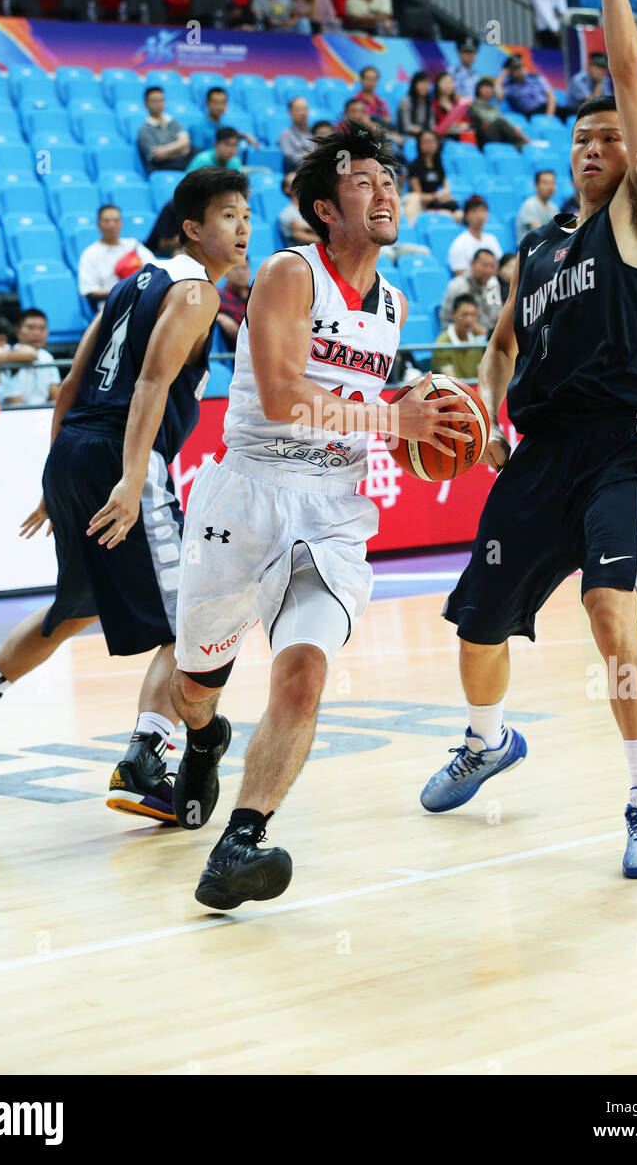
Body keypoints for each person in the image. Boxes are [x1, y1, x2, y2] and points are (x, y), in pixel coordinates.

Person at [421, 0, 637, 882]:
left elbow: (624, 72)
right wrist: (486, 410)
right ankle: (488, 741)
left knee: (608, 610)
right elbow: (495, 347)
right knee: (475, 621)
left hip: (619, 442)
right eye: (578, 140)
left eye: (607, 138)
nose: (592, 147)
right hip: (537, 453)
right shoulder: (535, 251)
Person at [169, 122, 469, 908]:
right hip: (246, 496)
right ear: (325, 209)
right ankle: (203, 735)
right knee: (195, 682)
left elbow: (379, 404)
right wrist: (391, 420)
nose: (386, 193)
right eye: (366, 182)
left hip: (333, 511)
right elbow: (281, 396)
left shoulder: (395, 302)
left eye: (391, 181)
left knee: (302, 674)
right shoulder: (287, 273)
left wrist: (451, 424)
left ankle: (240, 844)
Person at [0, 169, 246, 822]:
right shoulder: (195, 294)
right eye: (227, 216)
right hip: (121, 456)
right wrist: (132, 480)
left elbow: (73, 379)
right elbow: (153, 385)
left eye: (245, 215)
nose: (242, 227)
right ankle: (142, 760)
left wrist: (55, 477)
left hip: (75, 451)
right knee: (194, 619)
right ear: (191, 227)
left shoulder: (134, 283)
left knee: (75, 607)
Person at [78, 205, 154, 308]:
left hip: (142, 301)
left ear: (121, 223)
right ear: (98, 224)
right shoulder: (90, 254)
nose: (111, 225)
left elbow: (155, 268)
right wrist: (123, 292)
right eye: (106, 221)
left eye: (116, 220)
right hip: (111, 307)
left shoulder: (133, 245)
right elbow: (89, 291)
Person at [0, 309, 62, 406]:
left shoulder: (47, 357)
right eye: (30, 328)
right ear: (18, 331)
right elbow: (13, 404)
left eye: (42, 328)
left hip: (44, 415)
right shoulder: (8, 355)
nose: (37, 333)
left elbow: (55, 398)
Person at [439, 248, 503, 336]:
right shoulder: (458, 286)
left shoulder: (492, 286)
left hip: (487, 339)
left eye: (492, 266)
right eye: (484, 265)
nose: (488, 270)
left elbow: (499, 317)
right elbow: (465, 321)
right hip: (459, 339)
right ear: (472, 264)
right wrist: (490, 338)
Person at [404, 129, 458, 225]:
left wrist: (441, 196)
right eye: (426, 141)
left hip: (436, 203)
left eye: (432, 141)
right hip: (421, 204)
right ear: (419, 144)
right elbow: (418, 194)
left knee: (459, 214)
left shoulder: (440, 166)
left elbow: (446, 190)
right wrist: (436, 196)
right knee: (414, 198)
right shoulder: (414, 165)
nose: (429, 144)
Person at [137, 86, 191, 174]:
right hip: (161, 167)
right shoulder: (144, 130)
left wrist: (164, 149)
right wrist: (179, 149)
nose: (158, 104)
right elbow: (157, 156)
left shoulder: (173, 121)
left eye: (161, 100)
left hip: (181, 162)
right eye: (154, 101)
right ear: (146, 104)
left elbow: (185, 143)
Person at [190, 86, 258, 154]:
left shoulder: (225, 125)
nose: (220, 106)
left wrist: (245, 136)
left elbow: (233, 135)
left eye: (223, 102)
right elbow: (197, 154)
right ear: (207, 104)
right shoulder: (198, 127)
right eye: (215, 102)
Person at [468, 77, 528, 151]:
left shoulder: (494, 107)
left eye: (490, 88)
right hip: (485, 135)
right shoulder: (473, 105)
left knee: (519, 143)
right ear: (478, 89)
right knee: (501, 122)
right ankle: (523, 139)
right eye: (485, 87)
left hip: (499, 134)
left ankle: (522, 147)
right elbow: (486, 119)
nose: (488, 90)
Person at [432, 295, 485, 379]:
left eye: (472, 315)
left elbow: (481, 377)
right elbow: (451, 383)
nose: (469, 320)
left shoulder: (477, 343)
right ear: (453, 314)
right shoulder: (442, 343)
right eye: (464, 314)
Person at [447, 196, 502, 272]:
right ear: (465, 216)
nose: (479, 215)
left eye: (482, 210)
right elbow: (460, 274)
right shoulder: (460, 243)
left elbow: (499, 266)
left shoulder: (492, 239)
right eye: (474, 211)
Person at [500, 55, 556, 119]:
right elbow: (499, 96)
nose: (519, 70)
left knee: (568, 112)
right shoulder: (509, 87)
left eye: (520, 67)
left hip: (547, 108)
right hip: (531, 112)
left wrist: (549, 115)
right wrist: (502, 74)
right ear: (510, 72)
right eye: (515, 69)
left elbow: (550, 96)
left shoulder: (536, 77)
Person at [216, 259, 252, 351]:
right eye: (235, 268)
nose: (241, 272)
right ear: (225, 273)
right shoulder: (218, 296)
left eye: (244, 268)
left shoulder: (258, 295)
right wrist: (220, 317)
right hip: (238, 352)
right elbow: (202, 314)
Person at [515, 170, 557, 243]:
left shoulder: (554, 207)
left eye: (552, 183)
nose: (550, 187)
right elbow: (541, 232)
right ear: (536, 185)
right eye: (545, 183)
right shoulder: (530, 205)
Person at [277, 171, 317, 247]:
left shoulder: (313, 207)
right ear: (287, 189)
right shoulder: (286, 213)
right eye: (295, 181)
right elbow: (298, 235)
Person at [278, 97, 314, 170]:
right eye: (298, 110)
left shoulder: (314, 132)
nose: (302, 113)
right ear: (290, 112)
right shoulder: (286, 134)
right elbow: (291, 158)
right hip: (297, 172)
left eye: (305, 109)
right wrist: (310, 157)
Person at [432, 71, 468, 138]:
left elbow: (467, 120)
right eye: (445, 82)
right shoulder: (433, 105)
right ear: (438, 85)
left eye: (451, 82)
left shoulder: (457, 103)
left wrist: (465, 124)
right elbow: (437, 125)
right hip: (442, 138)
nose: (449, 85)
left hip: (460, 136)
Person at [397, 72, 433, 137]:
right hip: (406, 136)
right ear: (414, 85)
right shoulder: (405, 101)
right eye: (421, 83)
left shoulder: (429, 103)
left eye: (426, 83)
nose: (424, 86)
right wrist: (420, 130)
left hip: (424, 136)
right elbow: (405, 126)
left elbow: (431, 125)